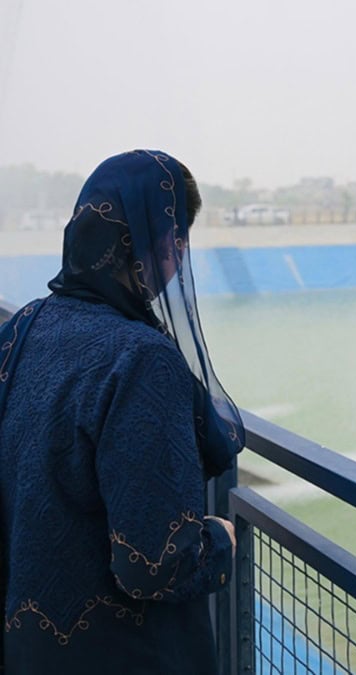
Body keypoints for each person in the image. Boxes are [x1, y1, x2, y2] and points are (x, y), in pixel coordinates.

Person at [0, 150, 244, 673]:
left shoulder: (24, 327)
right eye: (175, 241)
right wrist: (218, 541)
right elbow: (154, 566)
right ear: (159, 247)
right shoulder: (142, 359)